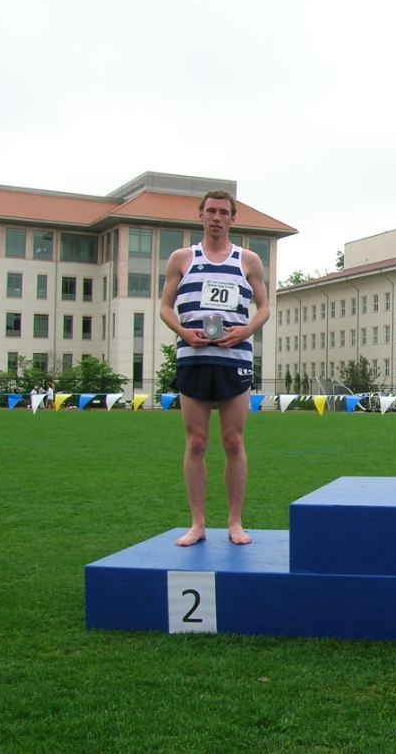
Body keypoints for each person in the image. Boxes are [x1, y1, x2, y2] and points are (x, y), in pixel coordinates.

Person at [159, 189, 269, 546]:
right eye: (211, 211)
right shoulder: (181, 258)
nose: (217, 217)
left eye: (224, 212)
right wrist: (183, 332)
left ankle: (235, 523)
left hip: (234, 361)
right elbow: (165, 307)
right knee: (196, 442)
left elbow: (265, 307)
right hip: (193, 359)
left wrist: (246, 330)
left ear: (233, 218)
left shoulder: (248, 260)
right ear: (201, 215)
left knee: (234, 442)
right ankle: (197, 524)